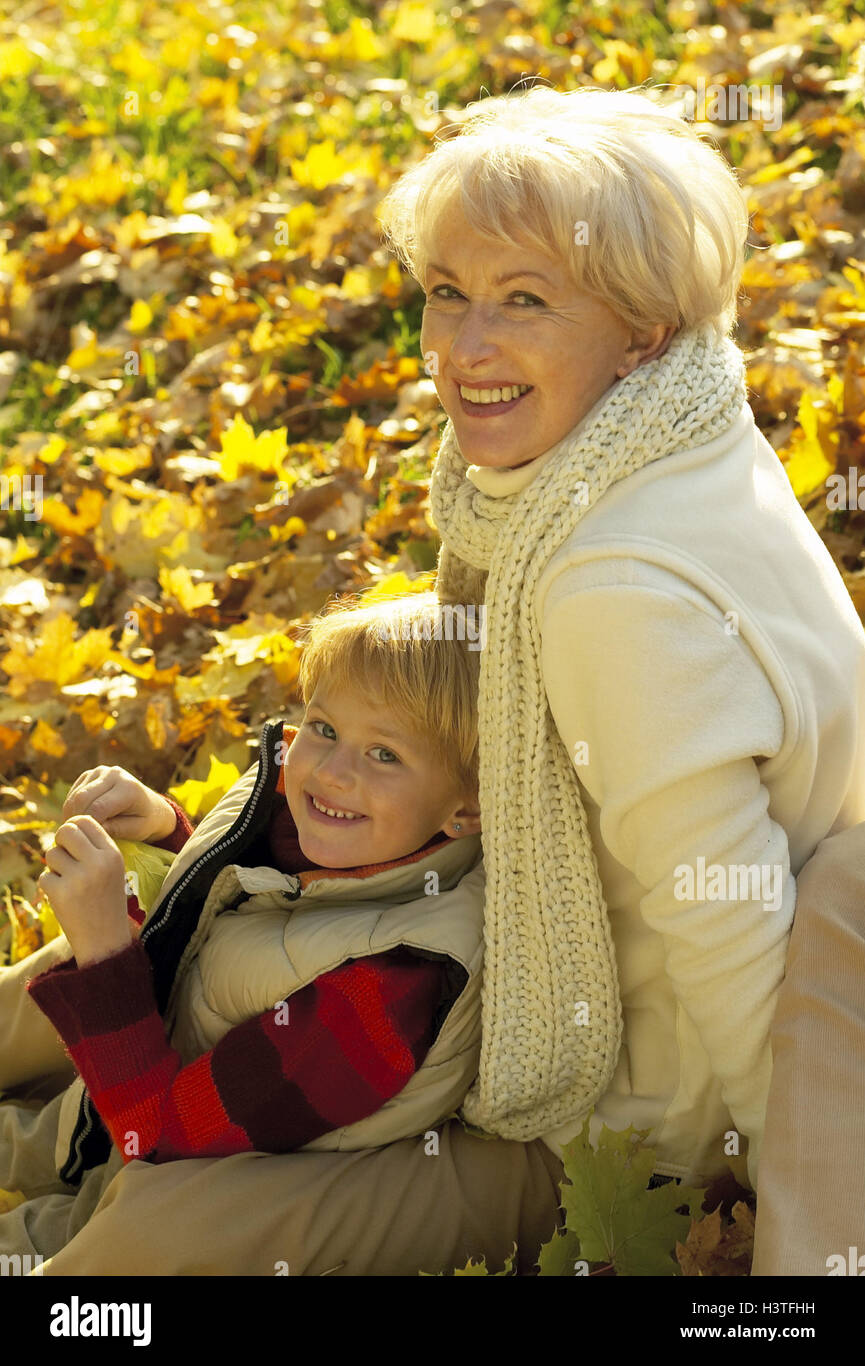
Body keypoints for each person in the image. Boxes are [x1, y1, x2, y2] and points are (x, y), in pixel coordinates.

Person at [11, 81, 863, 1278]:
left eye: (525, 301)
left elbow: (725, 926)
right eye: (448, 293)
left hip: (585, 1088)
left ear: (641, 328)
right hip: (480, 923)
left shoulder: (611, 587)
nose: (463, 351)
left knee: (158, 1236)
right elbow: (438, 734)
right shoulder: (676, 429)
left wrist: (786, 1203)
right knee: (159, 934)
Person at [0, 591, 510, 1267]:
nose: (331, 771)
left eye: (384, 755)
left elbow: (157, 1141)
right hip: (98, 1109)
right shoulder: (340, 830)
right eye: (325, 727)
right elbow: (252, 909)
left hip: (156, 1177)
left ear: (467, 808)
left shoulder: (391, 988)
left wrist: (103, 958)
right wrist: (162, 829)